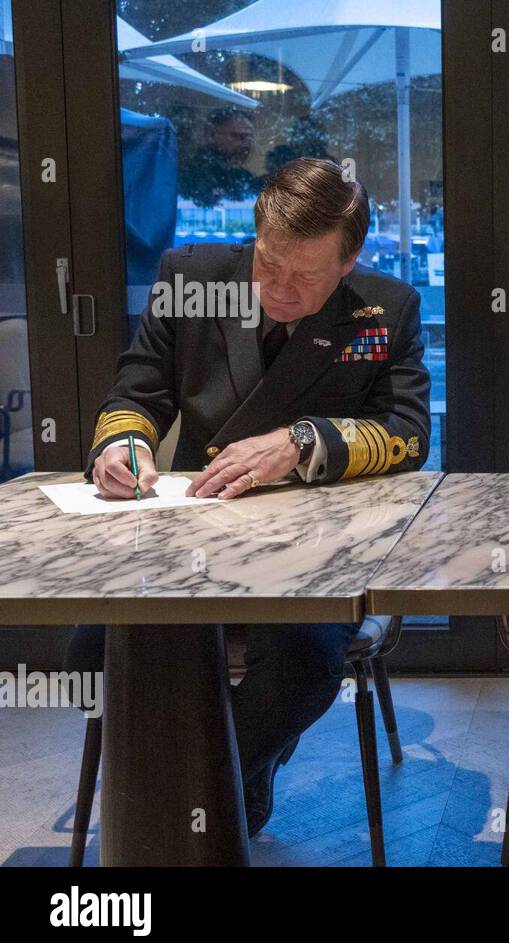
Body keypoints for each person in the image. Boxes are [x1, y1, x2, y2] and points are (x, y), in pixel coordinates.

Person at [67, 158, 431, 837]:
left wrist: (301, 442)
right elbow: (136, 390)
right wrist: (123, 447)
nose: (279, 292)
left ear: (349, 264)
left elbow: (409, 434)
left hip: (316, 547)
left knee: (303, 661)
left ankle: (209, 788)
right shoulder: (192, 278)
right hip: (193, 530)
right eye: (269, 264)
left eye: (306, 277)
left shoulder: (388, 309)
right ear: (256, 236)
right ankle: (211, 784)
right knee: (93, 654)